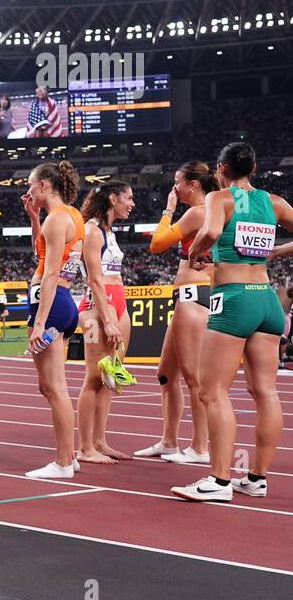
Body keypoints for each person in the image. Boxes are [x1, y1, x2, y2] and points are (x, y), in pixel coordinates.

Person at [172, 142, 291, 502]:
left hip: (234, 298)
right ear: (253, 168)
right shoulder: (273, 202)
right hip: (267, 298)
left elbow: (209, 233)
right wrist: (275, 251)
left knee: (212, 390)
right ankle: (257, 478)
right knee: (265, 392)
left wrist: (195, 254)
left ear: (221, 170)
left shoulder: (220, 198)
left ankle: (220, 481)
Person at [137, 162, 217, 463]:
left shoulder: (197, 212)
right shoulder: (213, 210)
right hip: (190, 297)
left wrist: (168, 209)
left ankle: (199, 447)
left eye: (177, 182)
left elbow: (157, 245)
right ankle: (169, 442)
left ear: (193, 185)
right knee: (166, 375)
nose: (174, 188)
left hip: (194, 297)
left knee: (194, 378)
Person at [22, 160, 84, 479]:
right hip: (63, 304)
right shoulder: (70, 216)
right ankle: (68, 456)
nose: (29, 190)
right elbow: (44, 255)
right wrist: (34, 218)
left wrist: (39, 323)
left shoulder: (57, 220)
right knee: (49, 386)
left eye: (32, 184)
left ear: (45, 185)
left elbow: (49, 274)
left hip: (52, 303)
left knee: (55, 388)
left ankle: (62, 462)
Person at [74, 180, 136, 464]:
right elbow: (94, 280)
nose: (132, 203)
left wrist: (117, 315)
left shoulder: (109, 232)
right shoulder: (91, 231)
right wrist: (107, 320)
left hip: (118, 302)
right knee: (94, 377)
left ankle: (100, 441)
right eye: (128, 198)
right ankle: (85, 446)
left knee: (110, 376)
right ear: (113, 199)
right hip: (96, 306)